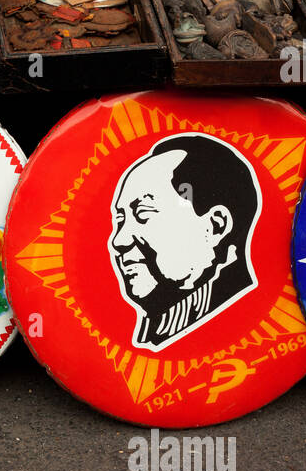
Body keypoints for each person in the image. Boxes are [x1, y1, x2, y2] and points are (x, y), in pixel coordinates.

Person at [109, 134, 261, 349]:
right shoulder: (159, 328)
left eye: (143, 213)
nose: (118, 240)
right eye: (120, 220)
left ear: (216, 226)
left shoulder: (250, 324)